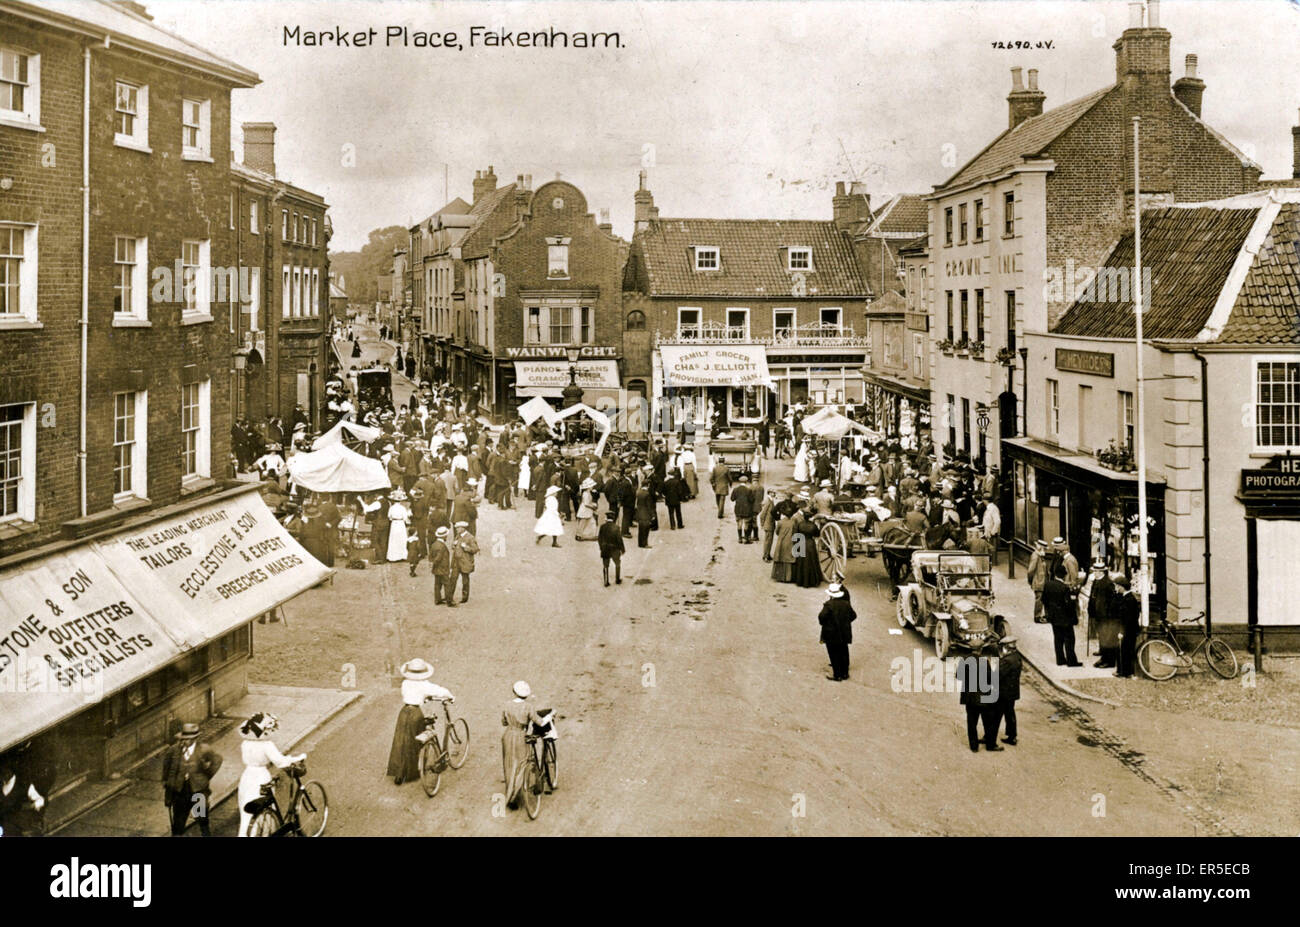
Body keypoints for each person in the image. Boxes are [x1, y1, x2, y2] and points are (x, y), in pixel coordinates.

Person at [387, 659, 454, 786]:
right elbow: (440, 691)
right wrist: (450, 696)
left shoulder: (405, 683)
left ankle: (398, 773)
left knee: (401, 741)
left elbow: (409, 694)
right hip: (416, 714)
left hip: (404, 712)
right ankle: (412, 772)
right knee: (414, 741)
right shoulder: (425, 685)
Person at [236, 713, 304, 837]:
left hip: (247, 777)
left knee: (247, 811)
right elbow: (280, 761)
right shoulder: (267, 745)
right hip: (261, 777)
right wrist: (296, 759)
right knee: (264, 809)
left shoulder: (245, 743)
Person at [162, 722, 223, 836]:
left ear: (195, 738)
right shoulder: (174, 750)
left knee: (202, 819)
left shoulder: (204, 749)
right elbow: (166, 768)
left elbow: (217, 760)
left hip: (198, 791)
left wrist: (207, 775)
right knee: (178, 823)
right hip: (180, 791)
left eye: (189, 739)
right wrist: (168, 786)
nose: (185, 741)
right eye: (183, 738)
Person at [501, 681, 546, 811]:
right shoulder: (528, 707)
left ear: (514, 691)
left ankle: (509, 795)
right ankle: (514, 795)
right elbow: (539, 722)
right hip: (521, 736)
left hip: (507, 736)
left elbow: (504, 722)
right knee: (521, 765)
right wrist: (549, 717)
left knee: (508, 765)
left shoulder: (506, 705)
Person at [957, 642, 1001, 752]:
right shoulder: (984, 661)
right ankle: (990, 745)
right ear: (981, 650)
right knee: (988, 722)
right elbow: (991, 678)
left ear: (971, 649)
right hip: (984, 697)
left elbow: (958, 676)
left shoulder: (964, 660)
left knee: (971, 723)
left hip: (970, 698)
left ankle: (974, 746)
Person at [1043, 562, 1082, 666]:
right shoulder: (1064, 588)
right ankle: (1071, 661)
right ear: (1064, 575)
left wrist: (1049, 612)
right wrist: (1074, 618)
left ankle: (1060, 660)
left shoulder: (1048, 585)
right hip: (1065, 618)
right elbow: (1069, 605)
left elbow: (1044, 600)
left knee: (1058, 639)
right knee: (1069, 639)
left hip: (1054, 617)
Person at [818, 582, 857, 681]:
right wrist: (845, 623)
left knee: (833, 653)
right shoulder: (846, 604)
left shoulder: (828, 605)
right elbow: (853, 616)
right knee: (844, 651)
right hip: (844, 633)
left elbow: (821, 617)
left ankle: (837, 675)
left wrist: (826, 624)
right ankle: (845, 673)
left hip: (831, 633)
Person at [1087, 561, 1119, 668]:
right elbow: (1093, 597)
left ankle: (1108, 660)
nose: (1095, 573)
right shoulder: (1097, 581)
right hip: (1098, 614)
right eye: (1095, 571)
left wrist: (1107, 614)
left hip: (1105, 616)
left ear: (1102, 572)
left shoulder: (1107, 583)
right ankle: (1103, 656)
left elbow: (1110, 601)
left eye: (1096, 571)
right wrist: (1091, 610)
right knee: (1102, 635)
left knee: (1107, 637)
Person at [993, 633, 1021, 746]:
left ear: (1006, 647)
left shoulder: (1007, 660)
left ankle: (990, 737)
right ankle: (1012, 736)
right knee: (1010, 714)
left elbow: (997, 675)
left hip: (1003, 692)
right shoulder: (1017, 656)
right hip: (1012, 691)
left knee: (996, 714)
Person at [1114, 574, 1140, 678]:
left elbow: (1127, 619)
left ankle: (1126, 672)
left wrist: (1121, 631)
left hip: (1128, 630)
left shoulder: (1129, 600)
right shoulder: (1127, 598)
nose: (1116, 588)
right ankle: (1123, 671)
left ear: (1121, 586)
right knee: (1124, 650)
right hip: (1129, 629)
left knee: (1126, 651)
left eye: (1117, 586)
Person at [791, 507, 823, 588]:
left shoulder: (800, 524)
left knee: (802, 562)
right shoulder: (813, 525)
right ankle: (811, 581)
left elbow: (796, 535)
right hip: (810, 544)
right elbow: (817, 534)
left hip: (801, 542)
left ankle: (801, 580)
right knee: (811, 561)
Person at [450, 521, 479, 603]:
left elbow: (475, 549)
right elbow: (454, 546)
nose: (456, 529)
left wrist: (466, 547)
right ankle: (449, 596)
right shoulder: (458, 536)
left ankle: (464, 598)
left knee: (465, 581)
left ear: (462, 528)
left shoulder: (470, 537)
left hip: (465, 562)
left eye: (458, 528)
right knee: (452, 579)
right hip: (456, 561)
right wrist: (453, 545)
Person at [598, 511, 625, 587]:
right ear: (613, 518)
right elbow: (619, 540)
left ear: (606, 518)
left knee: (606, 565)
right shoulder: (616, 527)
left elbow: (599, 538)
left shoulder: (602, 527)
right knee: (617, 563)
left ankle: (606, 581)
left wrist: (601, 547)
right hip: (614, 549)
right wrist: (622, 549)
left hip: (605, 548)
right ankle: (617, 579)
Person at [429, 526, 454, 606]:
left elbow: (431, 556)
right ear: (443, 536)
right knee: (447, 584)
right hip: (443, 569)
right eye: (446, 535)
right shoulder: (442, 546)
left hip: (436, 569)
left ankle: (437, 599)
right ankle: (449, 601)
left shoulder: (434, 544)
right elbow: (438, 558)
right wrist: (435, 563)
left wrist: (432, 564)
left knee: (437, 584)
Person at [386, 489, 411, 563]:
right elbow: (405, 518)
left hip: (394, 523)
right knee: (401, 539)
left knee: (393, 539)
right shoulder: (403, 508)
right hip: (401, 524)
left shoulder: (391, 508)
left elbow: (389, 516)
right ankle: (402, 555)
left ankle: (393, 557)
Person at [1027, 539, 1049, 623]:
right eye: (1044, 548)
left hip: (1042, 582)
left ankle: (1041, 615)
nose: (1045, 550)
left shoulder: (1040, 556)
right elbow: (1030, 570)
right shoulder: (1036, 556)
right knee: (1039, 599)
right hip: (1038, 582)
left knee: (1041, 599)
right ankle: (1037, 617)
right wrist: (1031, 581)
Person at [634, 480, 656, 549]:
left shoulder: (639, 493)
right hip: (646, 514)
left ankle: (640, 543)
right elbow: (649, 506)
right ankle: (645, 544)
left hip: (640, 513)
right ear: (648, 485)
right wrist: (652, 515)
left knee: (641, 529)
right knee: (646, 530)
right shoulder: (647, 494)